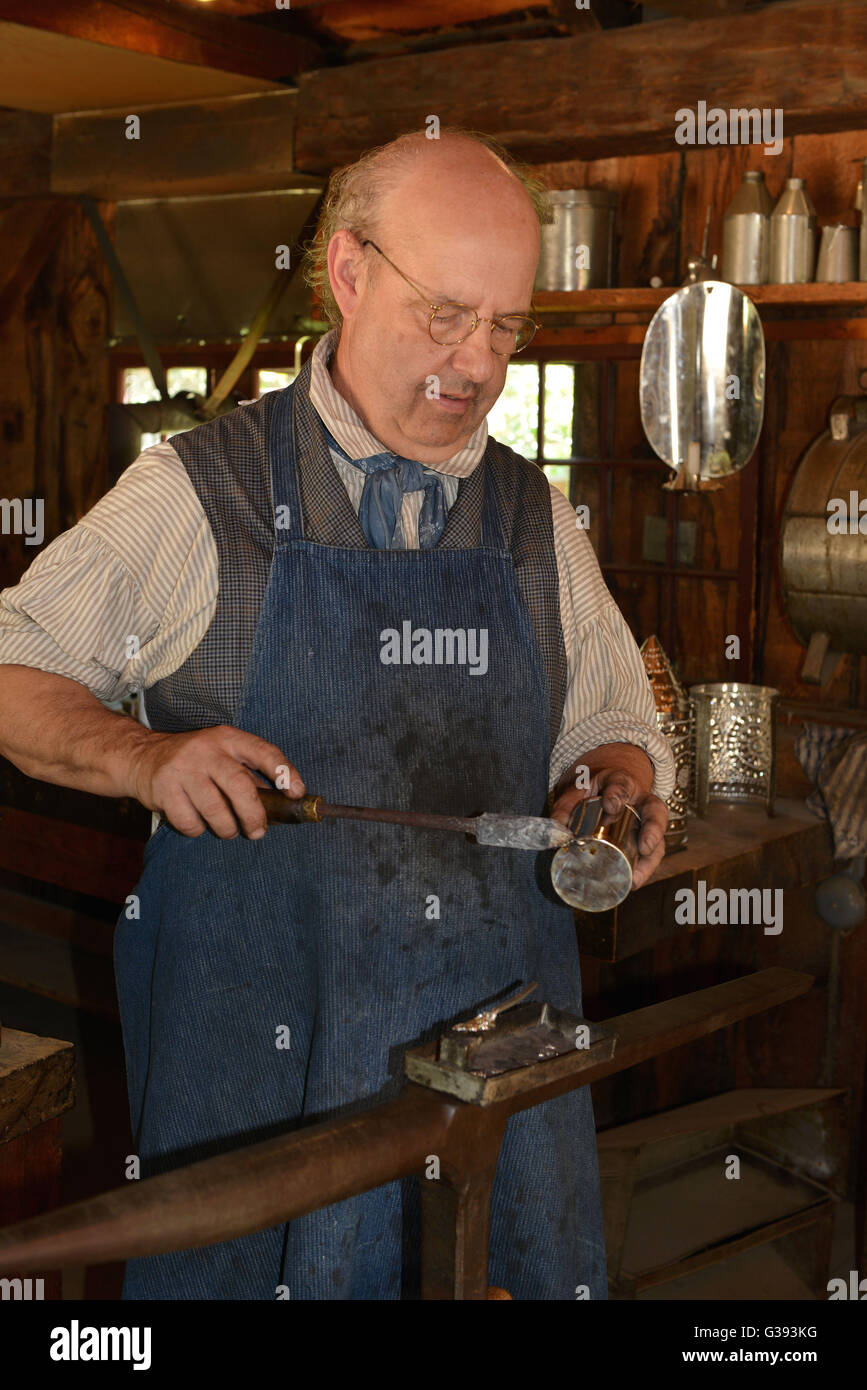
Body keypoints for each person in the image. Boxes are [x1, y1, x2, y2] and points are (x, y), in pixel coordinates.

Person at [0, 128, 674, 1300]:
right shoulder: (197, 495)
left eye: (508, 328)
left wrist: (616, 787)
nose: (476, 363)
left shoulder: (531, 518)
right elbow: (13, 669)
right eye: (446, 314)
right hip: (260, 1075)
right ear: (349, 272)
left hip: (493, 1067)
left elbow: (609, 718)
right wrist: (143, 755)